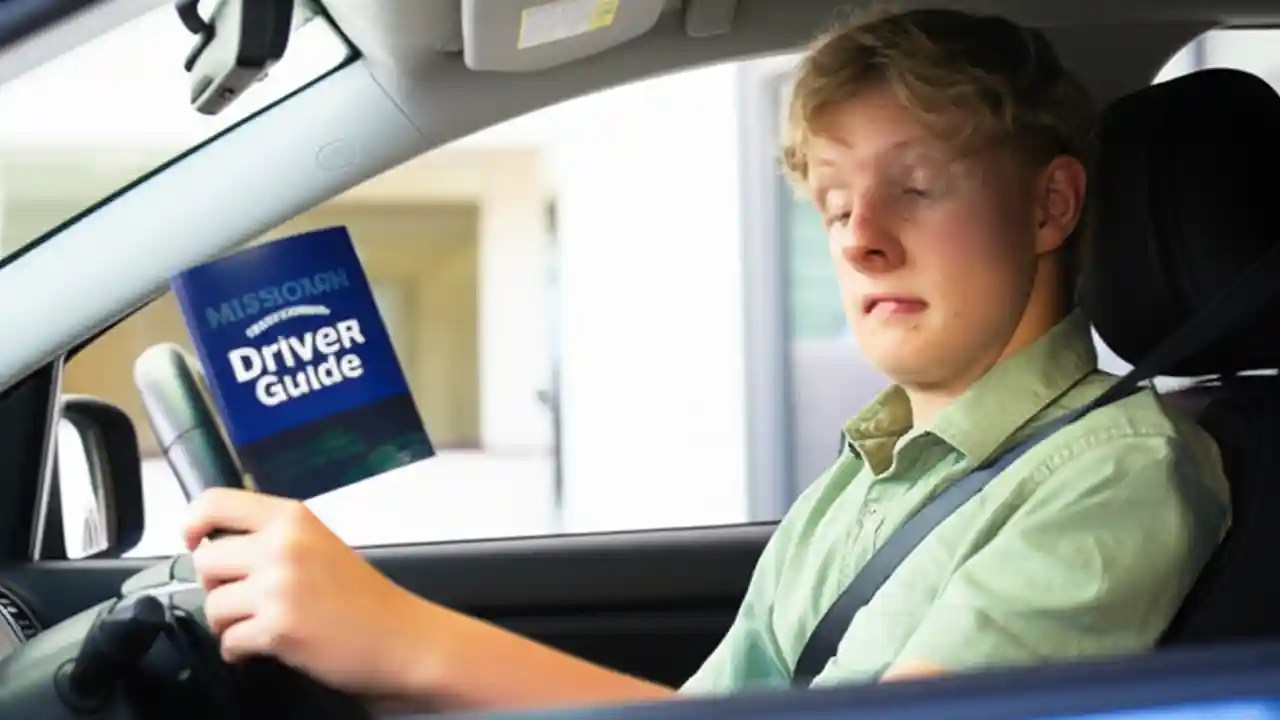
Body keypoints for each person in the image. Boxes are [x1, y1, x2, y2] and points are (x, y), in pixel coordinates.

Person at [182, 6, 1231, 713]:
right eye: (833, 206)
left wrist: (404, 641)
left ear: (1049, 206)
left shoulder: (1118, 475)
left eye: (914, 188)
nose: (859, 242)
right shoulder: (866, 475)